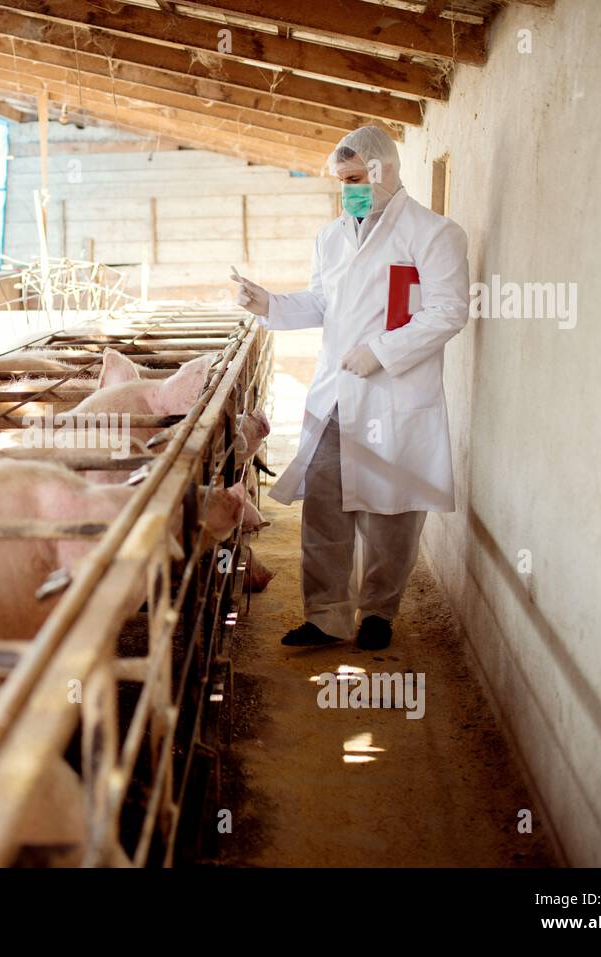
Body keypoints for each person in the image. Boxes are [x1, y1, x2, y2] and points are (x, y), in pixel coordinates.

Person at [231, 126, 470, 650]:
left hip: (394, 394)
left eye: (358, 178)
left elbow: (449, 311)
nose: (350, 191)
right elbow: (322, 302)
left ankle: (378, 613)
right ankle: (326, 616)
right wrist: (269, 304)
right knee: (324, 507)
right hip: (336, 395)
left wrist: (382, 352)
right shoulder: (332, 236)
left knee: (392, 514)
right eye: (343, 182)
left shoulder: (434, 234)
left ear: (384, 171)